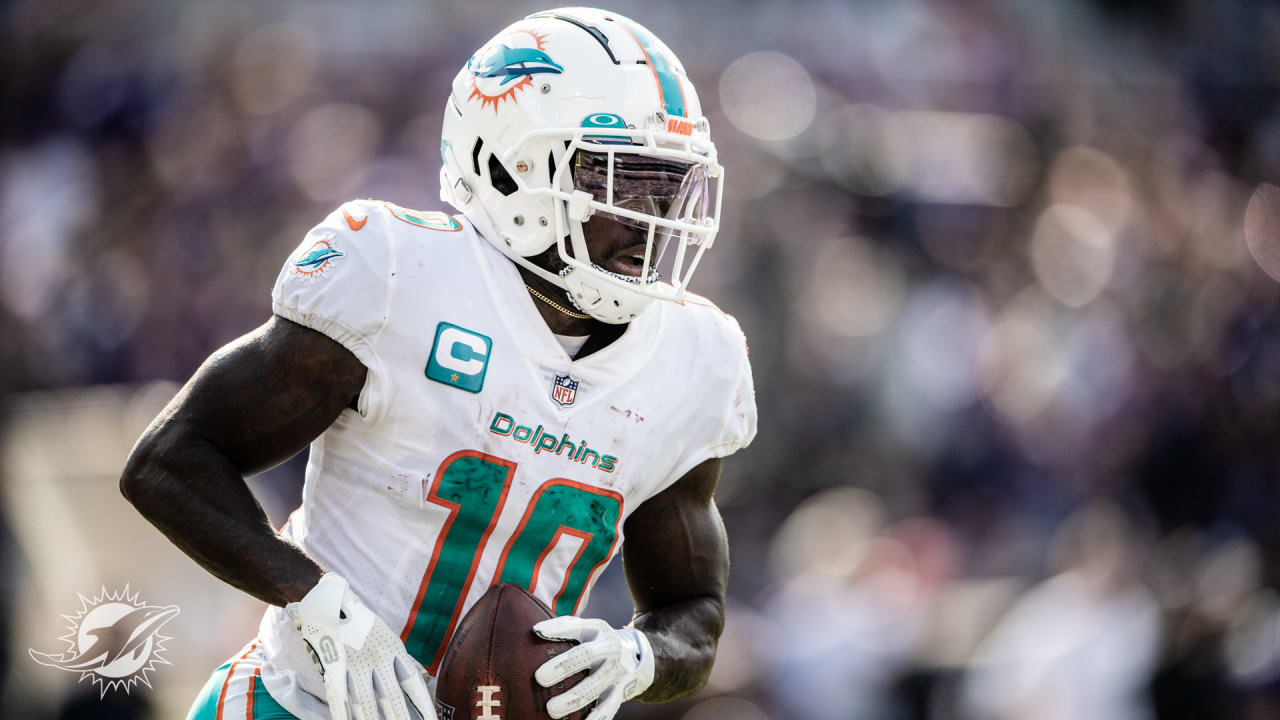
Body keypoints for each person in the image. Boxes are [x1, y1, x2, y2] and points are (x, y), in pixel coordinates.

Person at [120, 7, 756, 720]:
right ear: (512, 168)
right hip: (300, 705)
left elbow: (692, 612)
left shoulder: (697, 358)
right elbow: (170, 462)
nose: (653, 217)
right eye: (622, 181)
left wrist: (637, 660)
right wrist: (321, 605)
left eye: (668, 187)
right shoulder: (398, 276)